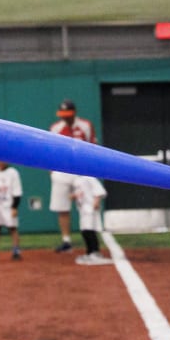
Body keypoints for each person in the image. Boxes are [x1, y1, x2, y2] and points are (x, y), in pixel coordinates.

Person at [46, 99, 96, 253]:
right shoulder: (56, 128)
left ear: (74, 112)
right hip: (61, 171)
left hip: (81, 171)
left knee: (86, 205)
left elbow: (93, 147)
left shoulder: (85, 126)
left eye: (67, 114)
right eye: (62, 114)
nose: (65, 117)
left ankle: (90, 239)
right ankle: (66, 241)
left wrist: (90, 171)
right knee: (62, 207)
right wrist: (52, 171)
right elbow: (50, 151)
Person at [71, 174, 112, 265]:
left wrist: (96, 202)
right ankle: (89, 253)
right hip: (82, 208)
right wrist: (74, 196)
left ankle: (95, 253)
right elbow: (78, 193)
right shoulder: (76, 180)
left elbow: (99, 191)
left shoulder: (90, 178)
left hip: (90, 207)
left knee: (90, 230)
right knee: (84, 231)